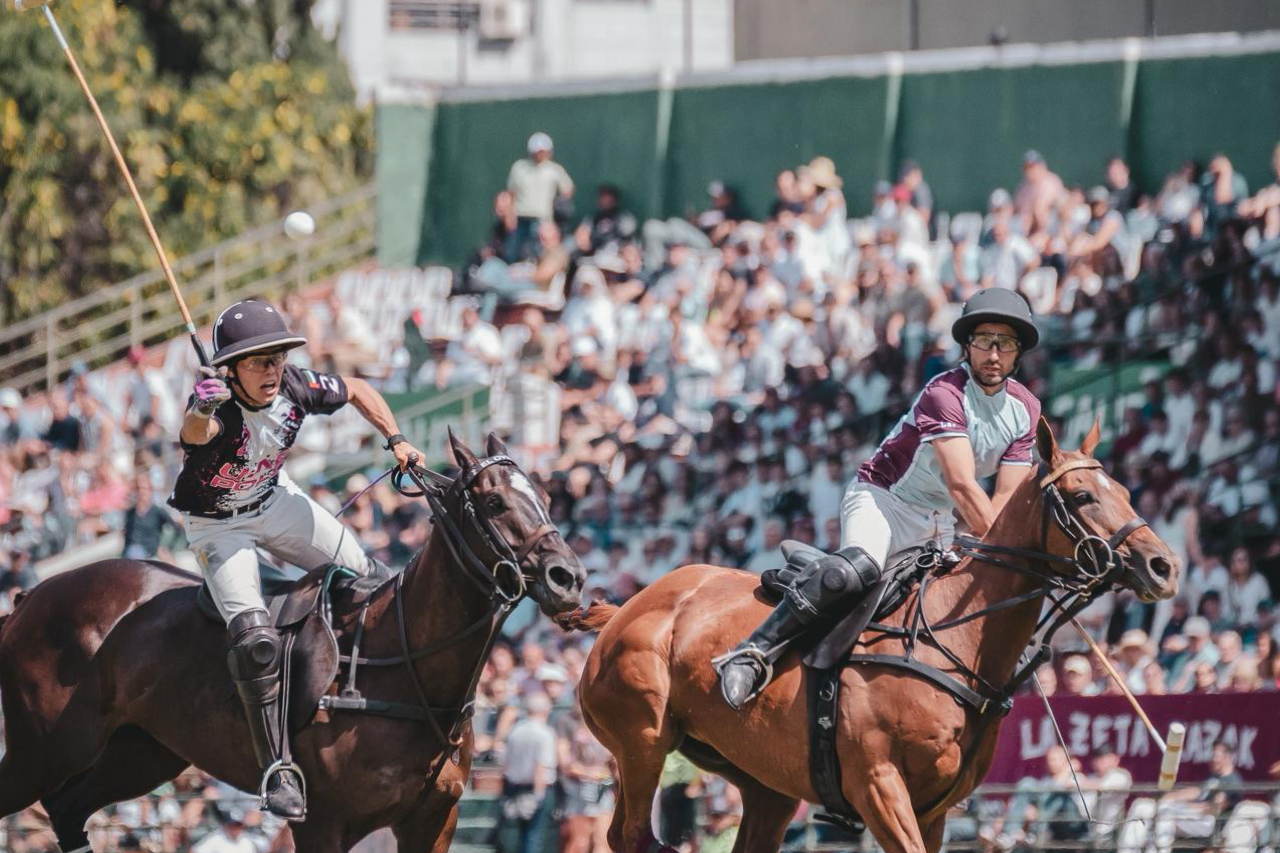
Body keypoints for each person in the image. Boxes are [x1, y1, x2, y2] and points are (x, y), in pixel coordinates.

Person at [716, 288, 1042, 709]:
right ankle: (753, 652)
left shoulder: (1026, 408)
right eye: (984, 341)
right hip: (883, 499)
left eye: (1006, 343)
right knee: (857, 572)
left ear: (1018, 354)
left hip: (941, 520)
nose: (994, 354)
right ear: (967, 346)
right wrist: (1003, 552)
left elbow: (1008, 496)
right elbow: (962, 484)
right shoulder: (944, 393)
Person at [169, 298, 425, 819]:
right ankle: (276, 768)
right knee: (254, 641)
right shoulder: (215, 408)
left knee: (370, 580)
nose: (273, 370)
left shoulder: (295, 385)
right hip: (218, 524)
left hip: (273, 499)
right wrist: (200, 408)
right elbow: (194, 435)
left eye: (278, 357)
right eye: (259, 361)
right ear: (230, 369)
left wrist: (395, 438)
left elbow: (358, 389)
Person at [1119, 742, 1243, 853]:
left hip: (1207, 822)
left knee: (1165, 813)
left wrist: (1184, 806)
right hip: (1191, 815)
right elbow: (1196, 792)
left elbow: (1213, 809)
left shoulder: (1232, 781)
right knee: (1143, 805)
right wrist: (1169, 798)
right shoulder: (1213, 777)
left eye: (1216, 755)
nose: (1213, 759)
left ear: (1227, 757)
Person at [497, 693, 559, 853]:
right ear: (546, 710)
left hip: (513, 787)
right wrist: (538, 795)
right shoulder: (545, 733)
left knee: (514, 835)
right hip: (537, 788)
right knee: (533, 837)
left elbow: (505, 764)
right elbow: (541, 766)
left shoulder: (515, 730)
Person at [508, 132, 574, 258]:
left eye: (544, 151)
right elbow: (511, 193)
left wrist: (558, 206)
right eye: (538, 151)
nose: (540, 154)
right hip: (520, 218)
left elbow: (568, 189)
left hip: (542, 220)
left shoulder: (554, 169)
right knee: (513, 254)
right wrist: (510, 216)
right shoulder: (519, 167)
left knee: (539, 255)